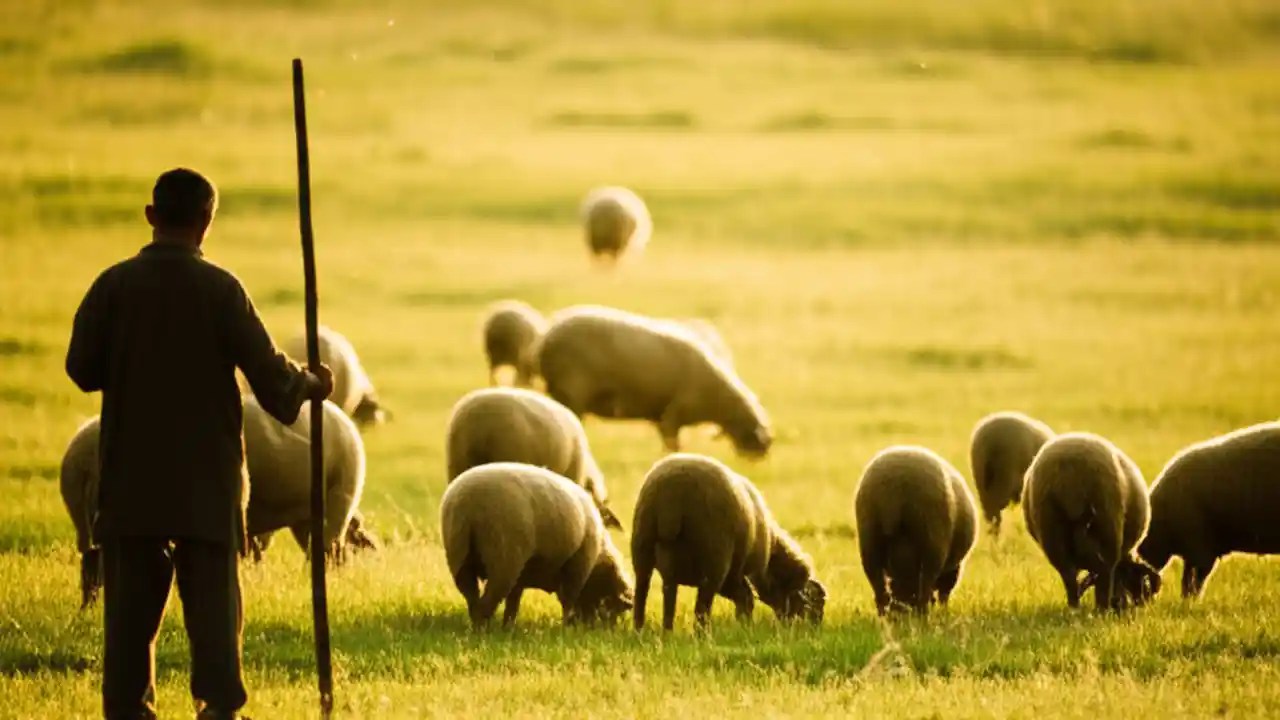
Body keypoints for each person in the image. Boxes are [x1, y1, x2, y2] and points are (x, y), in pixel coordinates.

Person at [65, 167, 333, 720]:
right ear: (206, 222)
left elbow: (81, 369)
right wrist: (311, 383)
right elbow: (273, 382)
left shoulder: (113, 285)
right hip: (206, 480)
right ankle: (217, 708)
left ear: (151, 216)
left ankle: (128, 709)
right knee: (214, 607)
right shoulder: (221, 290)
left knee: (128, 616)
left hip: (131, 477)